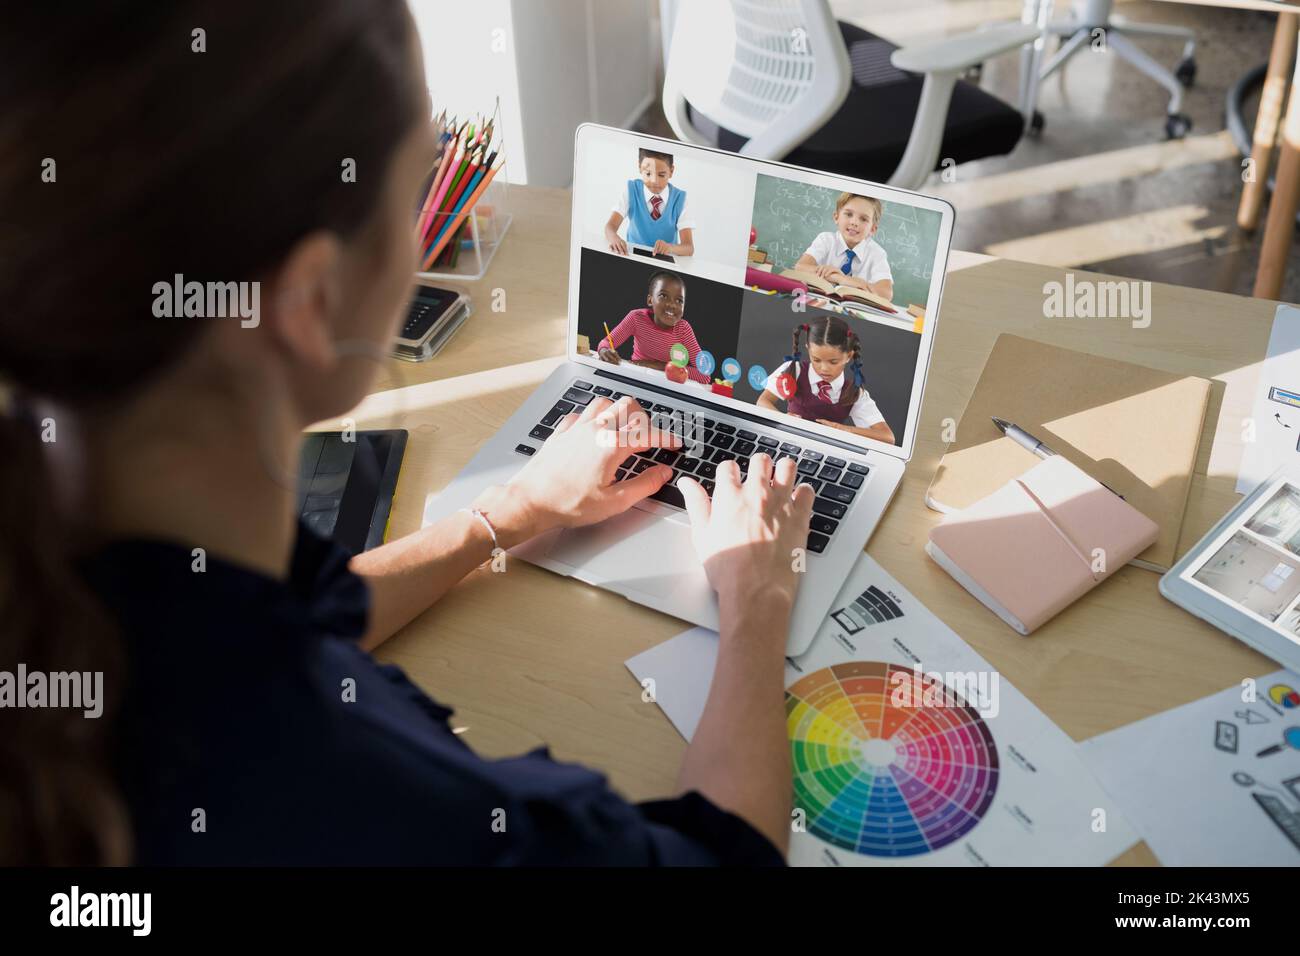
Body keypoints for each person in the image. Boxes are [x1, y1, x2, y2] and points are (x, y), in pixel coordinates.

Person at [0, 1, 812, 865]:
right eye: (420, 185)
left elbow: (278, 624)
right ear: (312, 302)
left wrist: (506, 515)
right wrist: (755, 600)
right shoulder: (413, 820)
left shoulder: (65, 556)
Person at [758, 317, 896, 444]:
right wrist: (784, 419)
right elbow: (763, 401)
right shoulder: (795, 369)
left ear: (849, 356)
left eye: (833, 362)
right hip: (788, 441)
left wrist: (843, 429)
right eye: (816, 360)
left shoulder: (854, 393)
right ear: (808, 349)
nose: (824, 368)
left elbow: (887, 437)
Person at [595, 271, 710, 383]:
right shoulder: (636, 318)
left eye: (679, 300)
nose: (672, 304)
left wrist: (656, 365)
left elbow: (704, 375)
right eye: (663, 296)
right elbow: (606, 342)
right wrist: (604, 351)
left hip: (667, 384)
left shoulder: (683, 329)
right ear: (650, 300)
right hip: (637, 377)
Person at [794, 193, 893, 302]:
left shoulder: (877, 253)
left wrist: (843, 279)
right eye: (849, 214)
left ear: (872, 229)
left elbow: (886, 294)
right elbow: (800, 267)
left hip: (855, 307)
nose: (854, 222)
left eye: (863, 219)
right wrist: (841, 279)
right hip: (818, 301)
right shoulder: (826, 239)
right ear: (836, 217)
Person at [603, 148, 695, 258]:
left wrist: (670, 248)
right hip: (633, 258)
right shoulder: (632, 190)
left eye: (661, 175)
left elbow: (689, 248)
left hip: (665, 261)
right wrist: (614, 238)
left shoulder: (680, 199)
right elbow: (610, 227)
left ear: (671, 171)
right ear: (639, 167)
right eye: (648, 173)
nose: (654, 181)